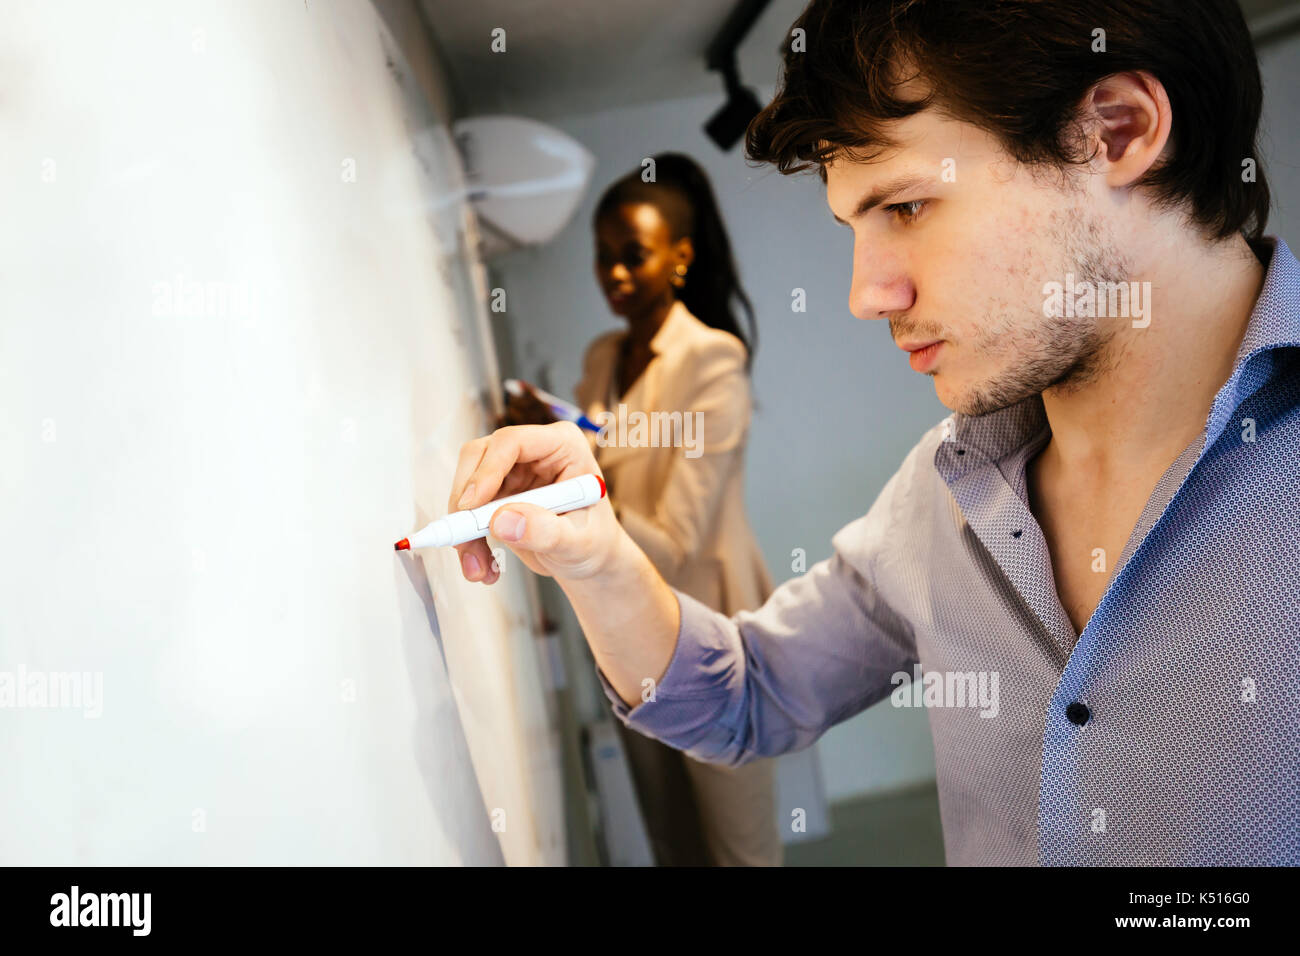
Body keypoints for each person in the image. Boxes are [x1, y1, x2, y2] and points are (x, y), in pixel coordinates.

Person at [454, 0, 1299, 865]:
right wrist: (597, 555)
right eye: (853, 226)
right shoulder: (947, 485)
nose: (866, 294)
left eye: (905, 206)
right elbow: (747, 696)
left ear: (1115, 131)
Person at [503, 154, 781, 866]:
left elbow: (678, 539)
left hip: (716, 633)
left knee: (736, 845)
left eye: (634, 255)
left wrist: (567, 483)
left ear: (679, 257)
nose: (614, 275)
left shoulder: (713, 360)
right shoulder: (603, 356)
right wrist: (555, 429)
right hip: (625, 628)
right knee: (672, 843)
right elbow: (604, 446)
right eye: (602, 258)